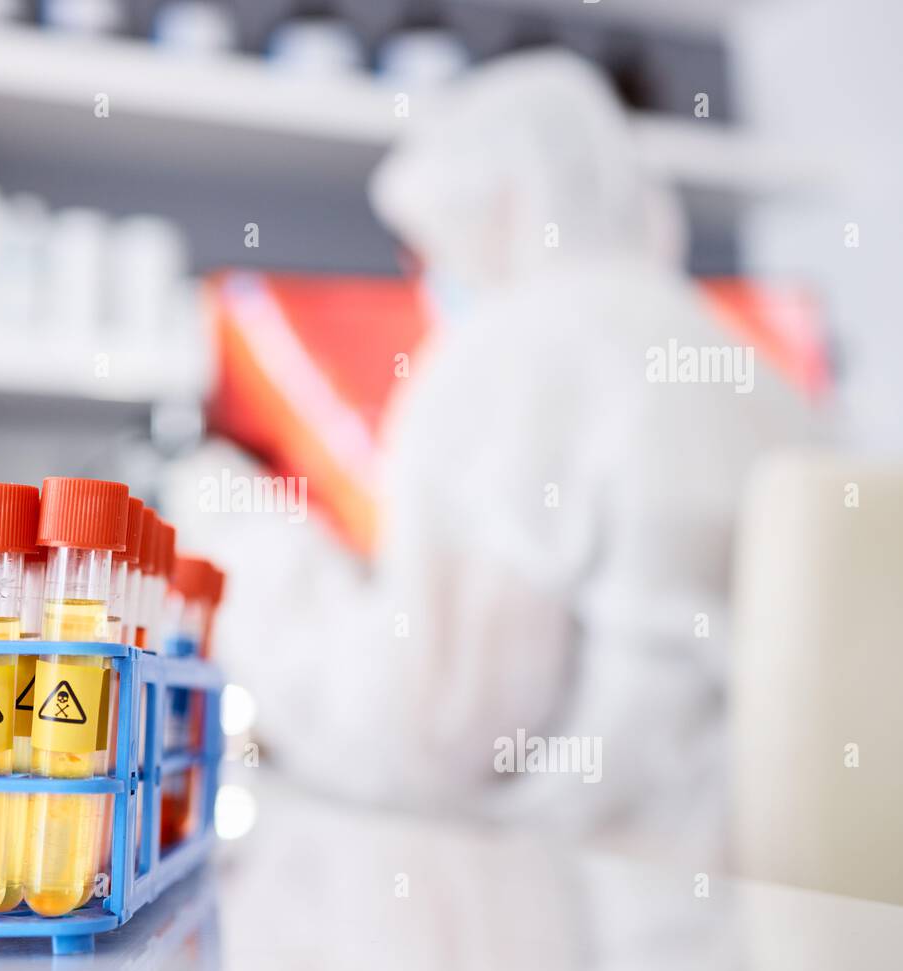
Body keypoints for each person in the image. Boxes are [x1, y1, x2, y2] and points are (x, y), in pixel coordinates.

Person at [166, 52, 815, 859]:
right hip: (769, 902)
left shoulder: (507, 356)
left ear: (501, 207)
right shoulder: (748, 362)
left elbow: (434, 734)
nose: (428, 276)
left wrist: (247, 549)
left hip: (600, 915)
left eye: (429, 249)